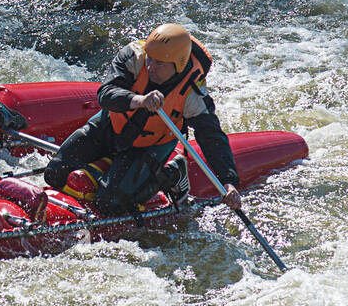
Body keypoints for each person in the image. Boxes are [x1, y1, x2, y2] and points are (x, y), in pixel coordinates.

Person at [42, 23, 243, 215]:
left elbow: (212, 137)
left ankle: (173, 173)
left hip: (150, 146)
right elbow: (106, 94)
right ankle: (107, 165)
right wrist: (139, 100)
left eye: (159, 63)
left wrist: (228, 181)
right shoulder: (134, 56)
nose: (150, 66)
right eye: (150, 59)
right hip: (112, 127)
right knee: (54, 173)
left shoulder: (192, 92)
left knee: (109, 203)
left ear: (178, 66)